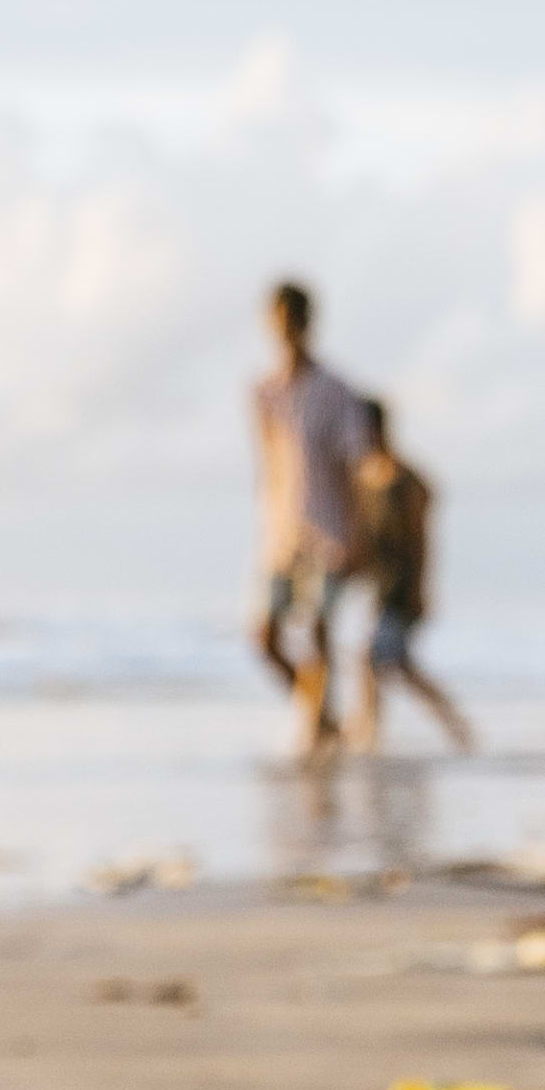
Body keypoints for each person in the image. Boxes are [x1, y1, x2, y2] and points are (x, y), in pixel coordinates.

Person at [252, 281, 369, 753]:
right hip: (283, 534)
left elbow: (353, 467)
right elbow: (271, 468)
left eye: (293, 322)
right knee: (266, 635)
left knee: (320, 628)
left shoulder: (336, 390)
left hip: (331, 529)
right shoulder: (264, 392)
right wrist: (268, 532)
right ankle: (324, 720)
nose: (287, 332)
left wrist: (358, 533)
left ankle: (319, 734)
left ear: (307, 323)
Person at [347, 398, 472, 750]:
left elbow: (421, 542)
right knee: (390, 665)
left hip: (402, 588)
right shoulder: (364, 477)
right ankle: (453, 727)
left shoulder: (404, 480)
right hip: (380, 587)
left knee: (374, 662)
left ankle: (370, 736)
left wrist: (421, 590)